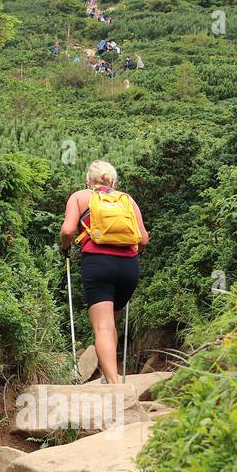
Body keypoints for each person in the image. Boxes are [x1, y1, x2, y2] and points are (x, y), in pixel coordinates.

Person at [60, 161, 150, 385]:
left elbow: (68, 230)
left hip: (98, 264)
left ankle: (113, 384)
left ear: (89, 181)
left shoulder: (80, 197)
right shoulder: (126, 199)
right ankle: (110, 375)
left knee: (103, 326)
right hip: (129, 267)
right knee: (111, 323)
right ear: (113, 181)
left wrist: (65, 246)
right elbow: (143, 239)